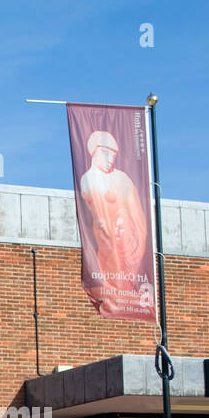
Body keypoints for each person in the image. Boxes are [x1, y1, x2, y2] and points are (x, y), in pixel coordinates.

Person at [78, 130, 150, 316]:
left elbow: (137, 217)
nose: (111, 158)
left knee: (124, 276)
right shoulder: (87, 180)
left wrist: (124, 222)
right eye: (106, 152)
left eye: (114, 154)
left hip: (125, 245)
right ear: (95, 151)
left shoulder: (123, 179)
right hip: (104, 249)